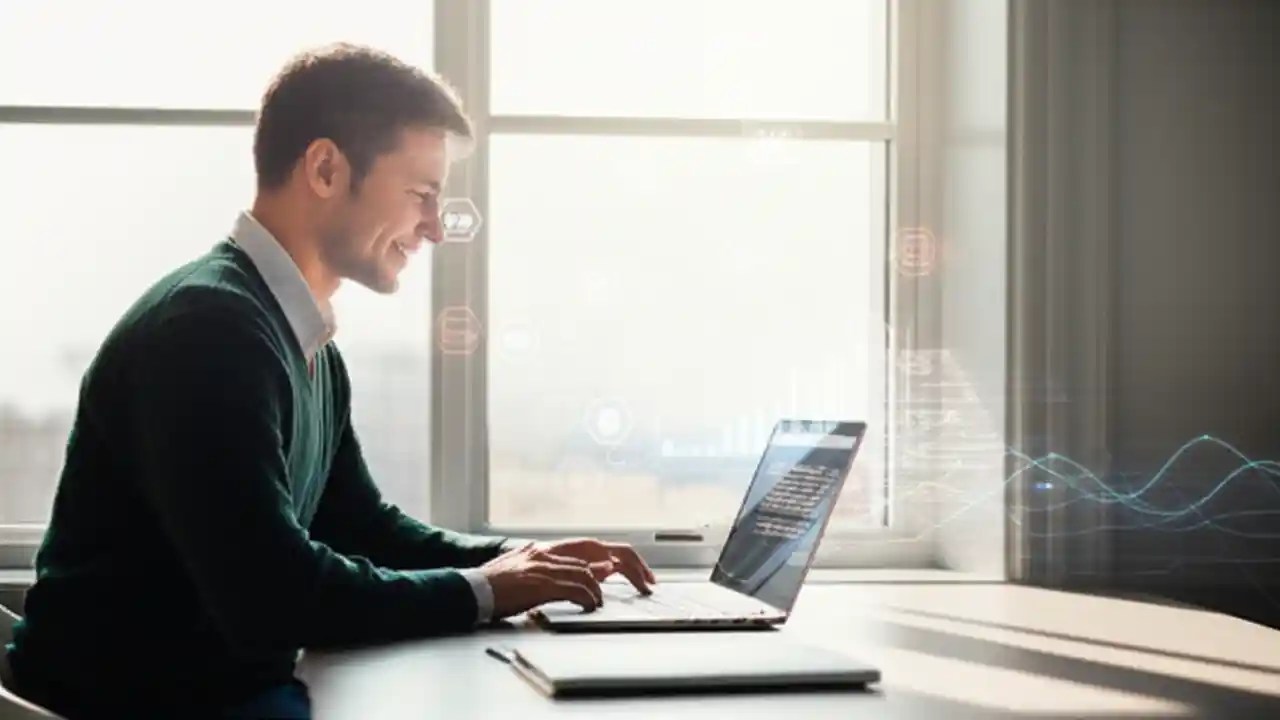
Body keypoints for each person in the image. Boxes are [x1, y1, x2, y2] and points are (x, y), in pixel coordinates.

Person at [2, 43, 655, 720]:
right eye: (421, 194)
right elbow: (275, 597)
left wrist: (519, 561)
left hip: (221, 693)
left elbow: (360, 527)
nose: (435, 227)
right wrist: (485, 590)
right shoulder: (209, 331)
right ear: (325, 169)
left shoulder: (300, 339)